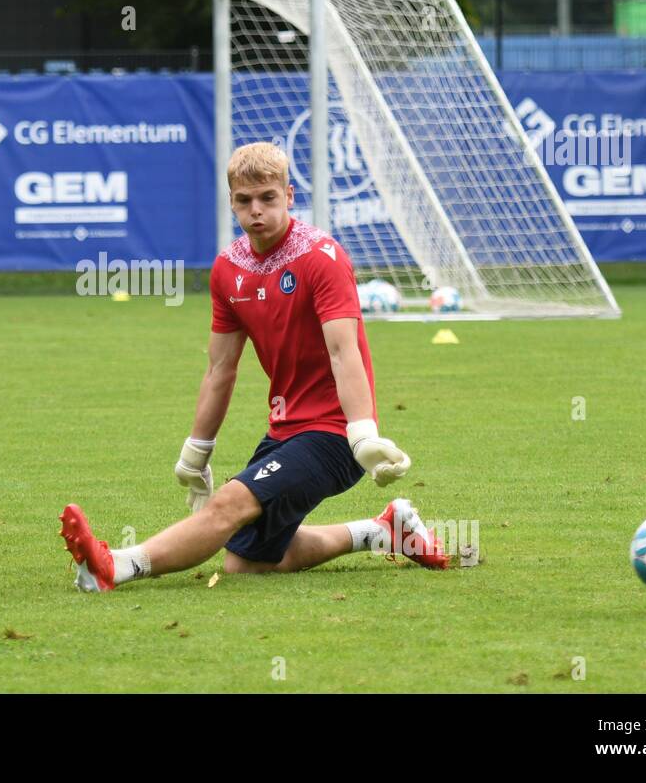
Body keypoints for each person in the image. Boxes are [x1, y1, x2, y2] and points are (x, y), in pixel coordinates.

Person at [59, 142, 448, 591]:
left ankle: (114, 566)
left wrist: (362, 432)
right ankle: (382, 531)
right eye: (244, 201)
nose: (255, 211)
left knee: (229, 503)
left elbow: (344, 353)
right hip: (284, 430)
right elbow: (220, 368)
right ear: (231, 202)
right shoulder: (228, 268)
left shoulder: (323, 258)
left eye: (268, 197)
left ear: (289, 194)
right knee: (248, 563)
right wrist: (196, 450)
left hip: (335, 434)